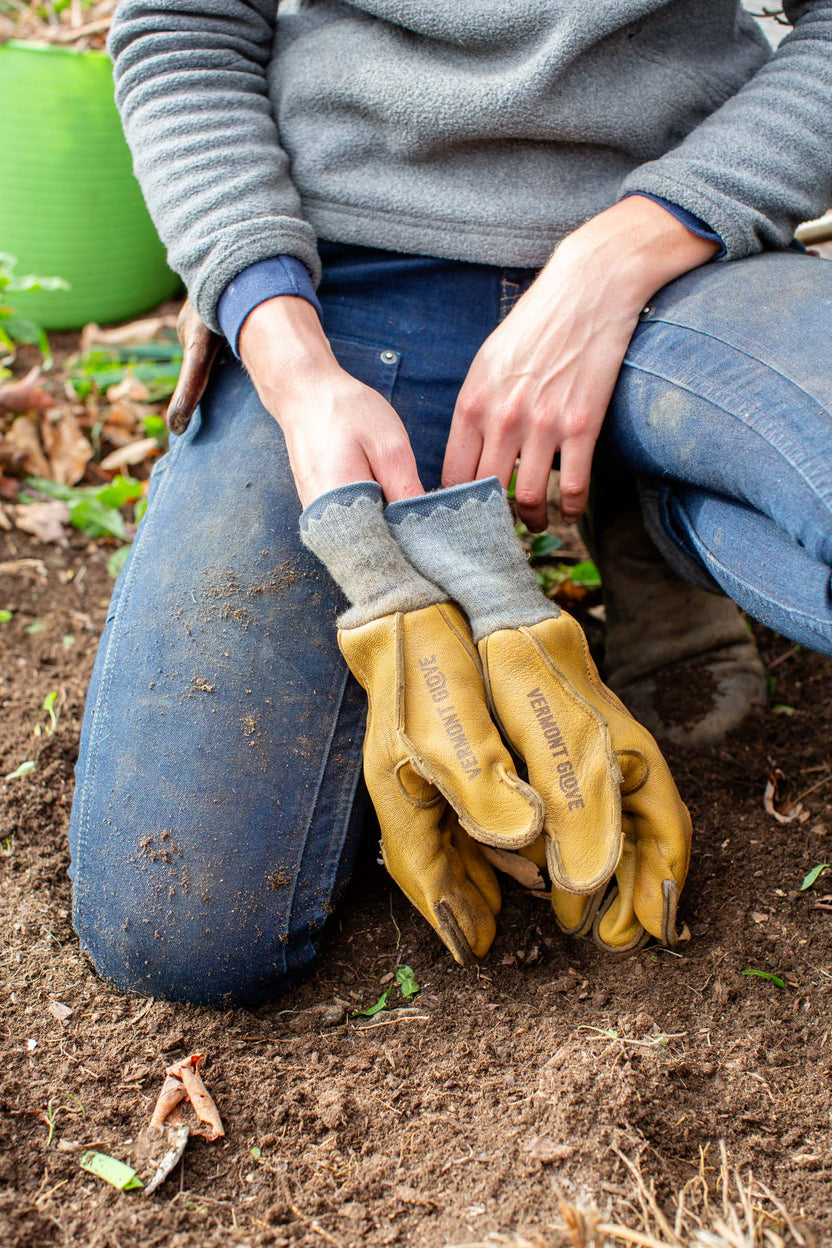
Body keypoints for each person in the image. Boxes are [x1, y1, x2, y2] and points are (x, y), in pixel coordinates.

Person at [68, 0, 832, 1006]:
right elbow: (184, 27)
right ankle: (600, 503)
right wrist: (290, 366)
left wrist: (621, 253)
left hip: (680, 256)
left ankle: (646, 501)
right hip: (355, 277)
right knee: (178, 929)